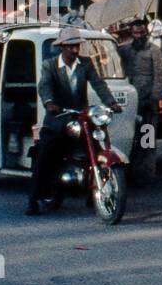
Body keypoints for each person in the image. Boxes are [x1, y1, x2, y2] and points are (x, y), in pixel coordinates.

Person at [27, 28, 121, 216]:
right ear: (62, 47)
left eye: (76, 45)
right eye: (70, 46)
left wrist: (111, 102)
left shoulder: (85, 64)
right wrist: (49, 103)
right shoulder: (50, 65)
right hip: (57, 118)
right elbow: (44, 86)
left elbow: (99, 84)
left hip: (80, 117)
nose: (75, 50)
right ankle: (33, 199)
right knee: (46, 155)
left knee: (95, 147)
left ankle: (94, 191)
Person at [117, 19, 162, 131]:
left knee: (147, 130)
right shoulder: (125, 49)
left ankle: (147, 148)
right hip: (131, 96)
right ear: (131, 33)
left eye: (141, 33)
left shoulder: (154, 50)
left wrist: (155, 96)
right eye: (135, 33)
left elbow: (160, 75)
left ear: (146, 33)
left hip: (148, 97)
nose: (138, 36)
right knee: (131, 129)